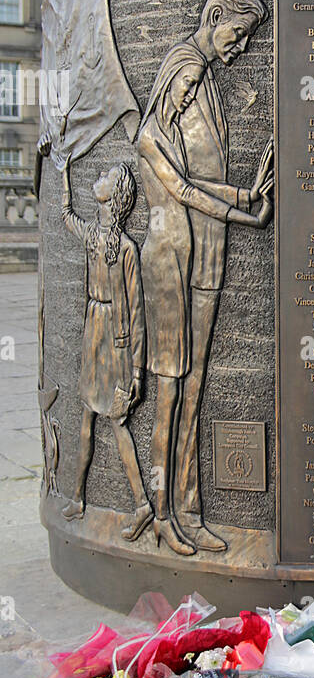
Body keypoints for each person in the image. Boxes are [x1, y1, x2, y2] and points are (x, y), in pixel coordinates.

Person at [136, 41, 271, 556]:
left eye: (195, 87)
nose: (190, 95)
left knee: (181, 388)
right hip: (165, 268)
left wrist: (245, 194)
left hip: (184, 257)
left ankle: (179, 509)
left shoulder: (169, 133)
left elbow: (197, 182)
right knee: (167, 392)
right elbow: (187, 192)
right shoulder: (151, 136)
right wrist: (246, 213)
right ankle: (163, 513)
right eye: (185, 86)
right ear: (168, 79)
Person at [60, 158, 148, 534]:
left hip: (116, 342)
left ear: (115, 196)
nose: (99, 178)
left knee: (117, 423)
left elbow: (139, 311)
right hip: (92, 334)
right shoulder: (92, 236)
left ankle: (142, 504)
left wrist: (138, 369)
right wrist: (63, 170)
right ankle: (77, 496)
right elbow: (65, 213)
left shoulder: (127, 249)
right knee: (85, 420)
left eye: (107, 177)